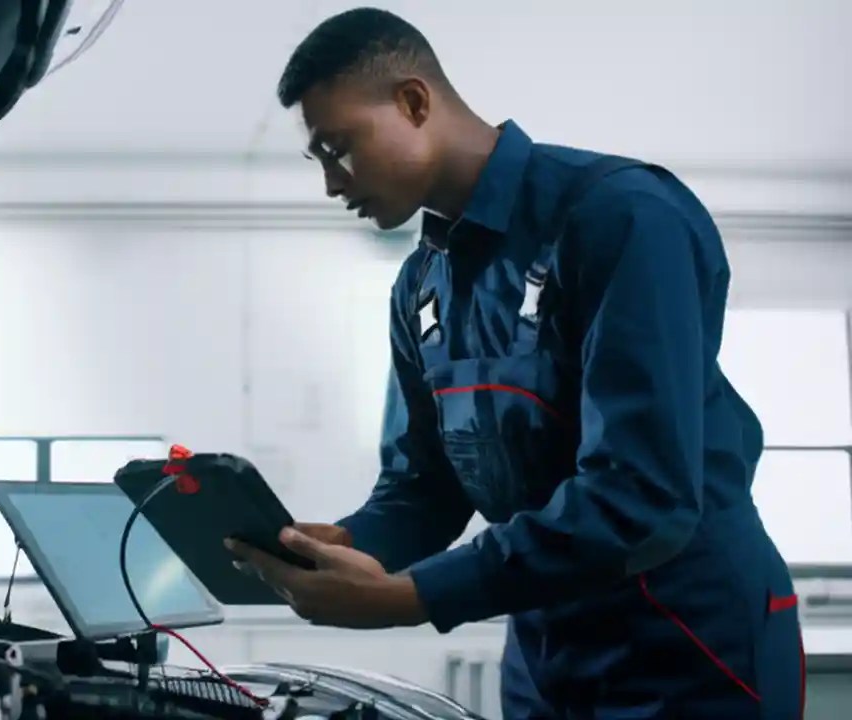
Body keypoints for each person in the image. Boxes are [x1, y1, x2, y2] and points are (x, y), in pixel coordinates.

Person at [225, 7, 805, 719]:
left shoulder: (621, 218)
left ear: (413, 102)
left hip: (688, 638)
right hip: (544, 645)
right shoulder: (419, 287)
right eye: (317, 161)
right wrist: (347, 546)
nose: (331, 184)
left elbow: (640, 498)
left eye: (338, 148)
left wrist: (413, 598)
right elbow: (422, 488)